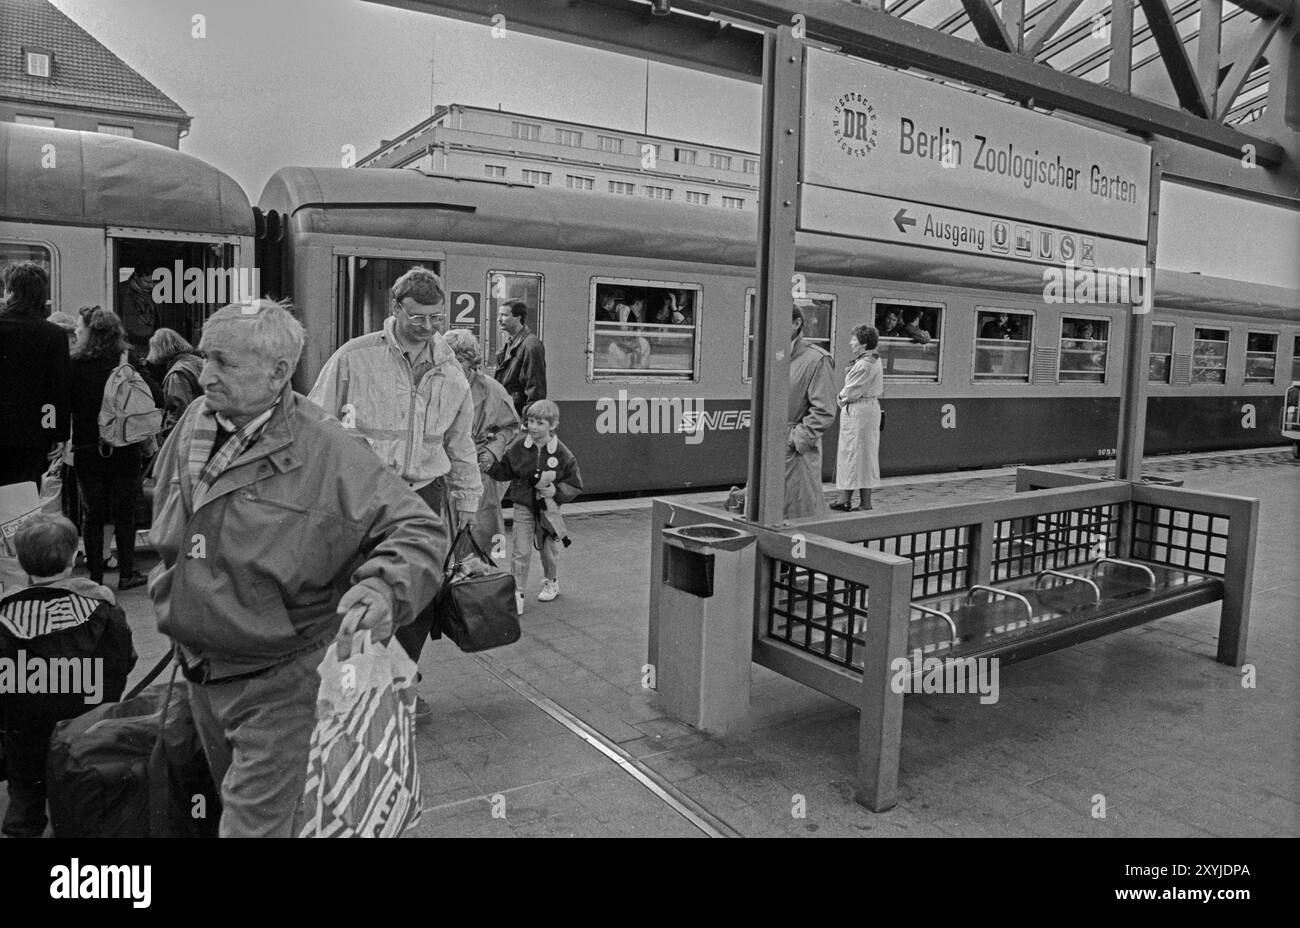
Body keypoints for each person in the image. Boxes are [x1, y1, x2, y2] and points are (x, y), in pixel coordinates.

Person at [149, 299, 442, 838]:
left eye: (223, 363)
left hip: (279, 682)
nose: (204, 374)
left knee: (252, 827)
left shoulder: (326, 447)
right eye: (204, 358)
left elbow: (418, 530)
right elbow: (171, 513)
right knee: (233, 804)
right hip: (198, 670)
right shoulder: (196, 420)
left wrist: (382, 590)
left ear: (278, 373)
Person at [309, 267, 481, 673]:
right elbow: (317, 423)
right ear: (396, 308)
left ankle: (400, 675)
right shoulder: (355, 356)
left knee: (417, 590)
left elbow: (460, 441)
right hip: (364, 493)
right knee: (357, 585)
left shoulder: (451, 369)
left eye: (437, 318)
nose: (428, 327)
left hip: (423, 493)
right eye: (417, 317)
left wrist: (468, 498)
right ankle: (353, 673)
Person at [0, 513, 136, 837]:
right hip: (88, 727)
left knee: (25, 799)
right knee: (86, 807)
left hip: (25, 733)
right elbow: (125, 660)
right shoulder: (102, 607)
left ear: (20, 563)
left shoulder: (5, 616)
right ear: (74, 557)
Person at [68, 307, 155, 591]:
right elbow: (156, 394)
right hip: (124, 448)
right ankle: (128, 574)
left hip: (87, 448)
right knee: (125, 514)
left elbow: (64, 403)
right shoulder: (126, 362)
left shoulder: (74, 364)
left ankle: (95, 576)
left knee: (92, 515)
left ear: (88, 332)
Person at [488, 399, 582, 614]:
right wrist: (490, 466)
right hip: (523, 505)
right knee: (520, 550)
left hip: (548, 510)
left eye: (540, 423)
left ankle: (551, 580)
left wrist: (556, 492)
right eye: (530, 421)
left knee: (547, 548)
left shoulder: (562, 453)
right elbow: (506, 471)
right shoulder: (519, 446)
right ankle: (517, 592)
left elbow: (574, 483)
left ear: (552, 425)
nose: (533, 427)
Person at [442, 329, 519, 558]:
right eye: (449, 358)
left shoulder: (492, 389)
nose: (454, 365)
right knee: (442, 534)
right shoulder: (434, 384)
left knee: (479, 534)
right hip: (441, 470)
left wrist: (492, 451)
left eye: (461, 359)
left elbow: (511, 426)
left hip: (478, 471)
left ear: (473, 362)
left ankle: (478, 586)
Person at [0, 262, 69, 488]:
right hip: (32, 437)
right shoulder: (54, 334)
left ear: (10, 291)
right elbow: (56, 390)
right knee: (22, 498)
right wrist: (55, 433)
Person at [787, 304, 837, 520]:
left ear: (797, 324)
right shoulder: (774, 357)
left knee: (798, 513)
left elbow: (824, 409)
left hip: (796, 453)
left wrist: (797, 440)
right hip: (771, 451)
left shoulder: (817, 359)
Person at [831, 325, 883, 512]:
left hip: (859, 411)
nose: (851, 342)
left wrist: (839, 398)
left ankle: (860, 502)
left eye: (854, 339)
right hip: (864, 411)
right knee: (859, 455)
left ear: (863, 343)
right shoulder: (871, 360)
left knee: (855, 455)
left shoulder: (864, 364)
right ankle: (847, 498)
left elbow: (850, 392)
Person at [147, 328, 205, 440]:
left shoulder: (177, 374)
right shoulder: (197, 362)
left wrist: (167, 438)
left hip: (189, 433)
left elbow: (178, 412)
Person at [494, 300, 547, 416]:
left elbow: (536, 390)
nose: (499, 319)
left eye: (504, 315)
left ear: (518, 317)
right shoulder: (509, 344)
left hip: (518, 417)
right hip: (509, 415)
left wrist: (529, 422)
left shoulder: (531, 345)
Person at [117, 265, 158, 358]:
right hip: (132, 342)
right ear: (136, 276)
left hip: (147, 342)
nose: (151, 285)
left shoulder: (149, 292)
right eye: (147, 282)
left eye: (153, 282)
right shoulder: (121, 291)